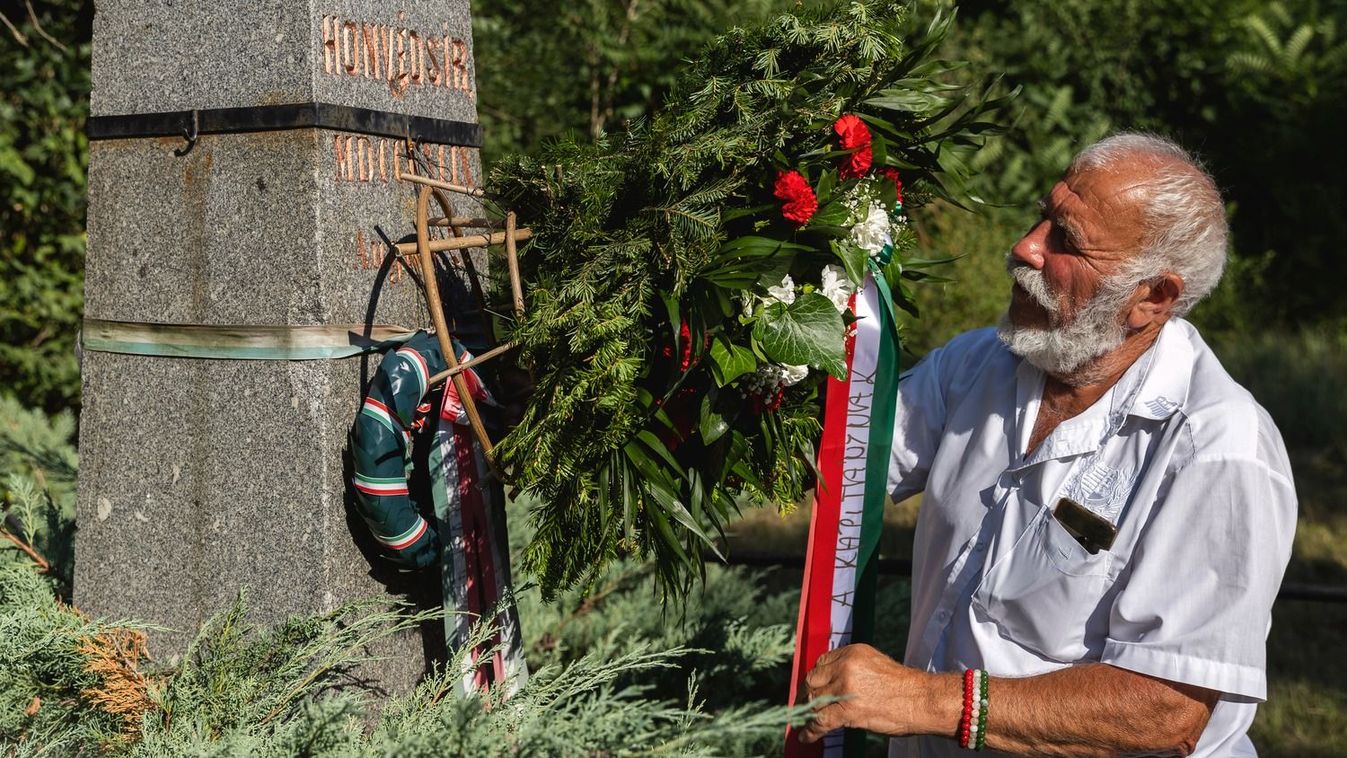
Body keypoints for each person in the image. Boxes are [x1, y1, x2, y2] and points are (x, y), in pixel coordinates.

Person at [799, 133, 1297, 756]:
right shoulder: (981, 362)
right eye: (1044, 215)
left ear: (1153, 296)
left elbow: (1167, 710)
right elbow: (842, 459)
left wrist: (925, 701)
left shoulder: (1218, 448)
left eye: (1066, 239)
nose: (1026, 246)